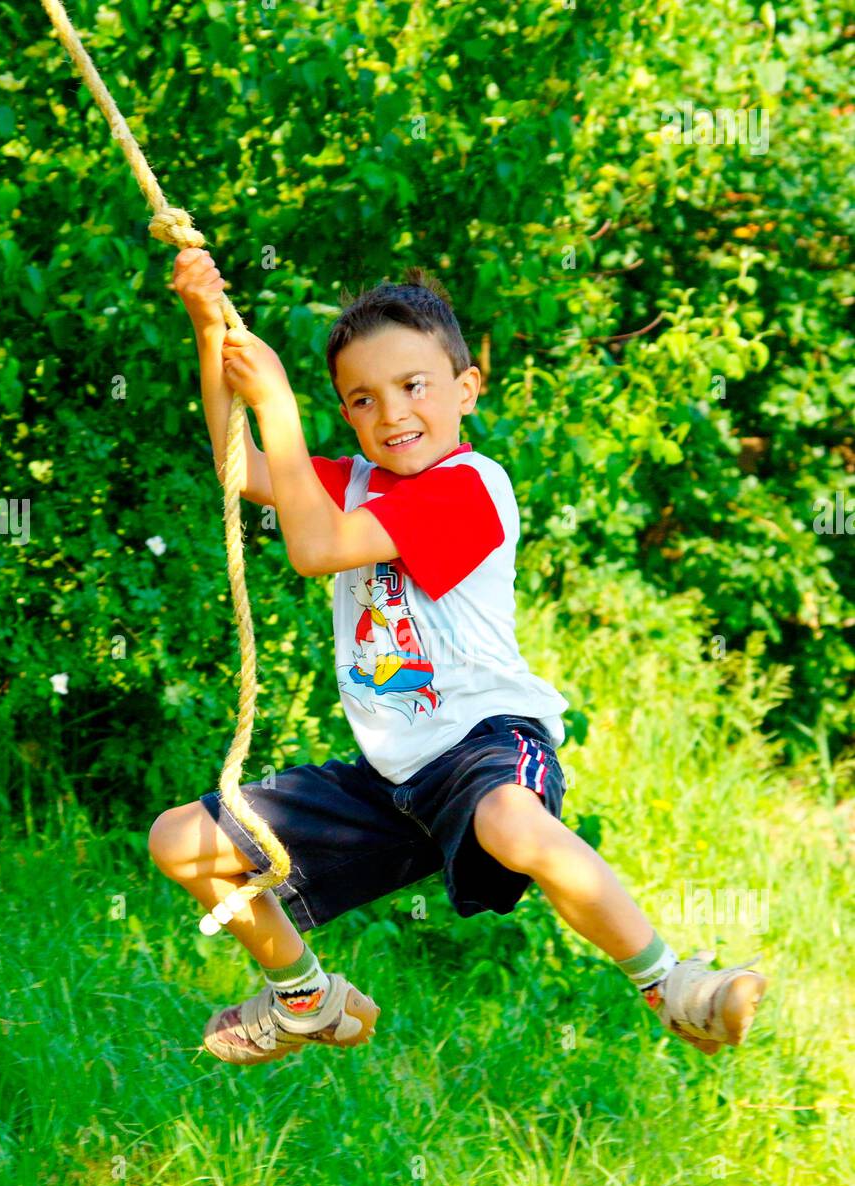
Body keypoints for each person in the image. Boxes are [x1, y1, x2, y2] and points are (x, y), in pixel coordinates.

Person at [147, 248, 767, 1065]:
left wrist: (281, 408)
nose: (391, 412)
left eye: (413, 386)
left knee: (515, 820)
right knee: (181, 840)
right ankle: (306, 1000)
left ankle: (673, 983)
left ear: (466, 389)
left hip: (483, 744)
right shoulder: (363, 481)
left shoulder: (469, 487)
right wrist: (206, 325)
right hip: (393, 777)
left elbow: (314, 547)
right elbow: (243, 465)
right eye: (362, 399)